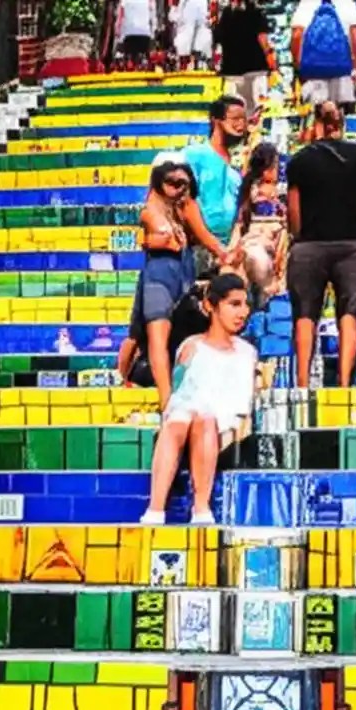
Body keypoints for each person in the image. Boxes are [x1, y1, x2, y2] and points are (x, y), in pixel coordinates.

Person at [140, 273, 258, 525]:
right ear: (211, 306)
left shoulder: (247, 353)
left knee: (204, 418)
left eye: (245, 304)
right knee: (180, 420)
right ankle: (155, 510)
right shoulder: (191, 346)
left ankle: (201, 509)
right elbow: (180, 397)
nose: (243, 312)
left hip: (226, 427)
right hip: (185, 422)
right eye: (234, 304)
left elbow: (242, 405)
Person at [285, 101, 356, 388]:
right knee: (351, 312)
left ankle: (303, 382)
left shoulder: (300, 160)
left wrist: (298, 238)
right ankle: (344, 382)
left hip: (309, 246)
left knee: (305, 313)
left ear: (316, 123)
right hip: (351, 244)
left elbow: (294, 210)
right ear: (342, 123)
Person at [128, 155, 238, 410]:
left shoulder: (184, 207)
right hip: (160, 277)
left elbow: (201, 236)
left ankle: (172, 391)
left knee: (164, 336)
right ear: (158, 182)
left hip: (179, 276)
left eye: (184, 184)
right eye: (172, 182)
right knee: (152, 335)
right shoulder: (153, 210)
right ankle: (165, 400)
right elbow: (161, 237)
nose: (178, 189)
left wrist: (223, 254)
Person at [182, 96, 247, 271]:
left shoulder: (239, 163)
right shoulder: (194, 155)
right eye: (235, 119)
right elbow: (188, 204)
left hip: (230, 250)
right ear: (216, 121)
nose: (241, 124)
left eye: (244, 119)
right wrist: (217, 249)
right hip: (198, 249)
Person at [228, 142, 287, 299]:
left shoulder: (281, 191)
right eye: (274, 165)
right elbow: (241, 222)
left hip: (279, 240)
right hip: (255, 239)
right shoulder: (251, 191)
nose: (276, 170)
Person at [290, 0, 356, 107]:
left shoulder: (306, 4)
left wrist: (298, 65)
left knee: (315, 114)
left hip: (312, 69)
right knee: (341, 114)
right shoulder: (348, 4)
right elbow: (355, 38)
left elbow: (296, 36)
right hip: (342, 69)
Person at [213, 0, 278, 116]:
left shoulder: (227, 13)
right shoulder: (256, 11)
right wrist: (270, 56)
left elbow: (219, 37)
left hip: (232, 66)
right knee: (254, 106)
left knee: (235, 105)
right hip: (254, 65)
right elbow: (262, 37)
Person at [171, 0, 213, 69]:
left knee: (201, 35)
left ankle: (199, 63)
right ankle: (183, 64)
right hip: (188, 6)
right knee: (186, 35)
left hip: (201, 5)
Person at [116, 0, 157, 68]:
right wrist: (153, 34)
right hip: (145, 33)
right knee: (145, 59)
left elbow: (120, 17)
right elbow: (153, 17)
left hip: (129, 34)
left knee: (130, 59)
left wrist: (119, 35)